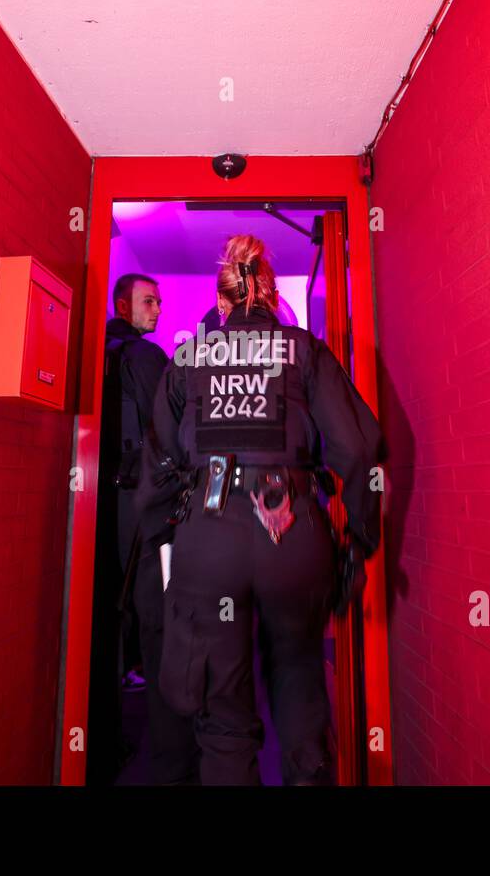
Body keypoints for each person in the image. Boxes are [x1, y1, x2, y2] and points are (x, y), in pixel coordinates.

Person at [136, 234, 383, 785]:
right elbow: (361, 451)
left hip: (210, 534)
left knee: (222, 716)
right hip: (292, 534)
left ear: (221, 304)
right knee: (298, 680)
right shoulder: (304, 349)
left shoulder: (187, 357)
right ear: (270, 297)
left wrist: (162, 554)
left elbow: (157, 470)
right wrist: (358, 544)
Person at [90, 273, 199, 785]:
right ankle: (172, 756)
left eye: (159, 301)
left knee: (112, 620)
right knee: (157, 622)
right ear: (123, 304)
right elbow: (177, 429)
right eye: (149, 301)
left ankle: (102, 743)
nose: (157, 309)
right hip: (145, 508)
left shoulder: (102, 352)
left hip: (103, 506)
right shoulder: (143, 356)